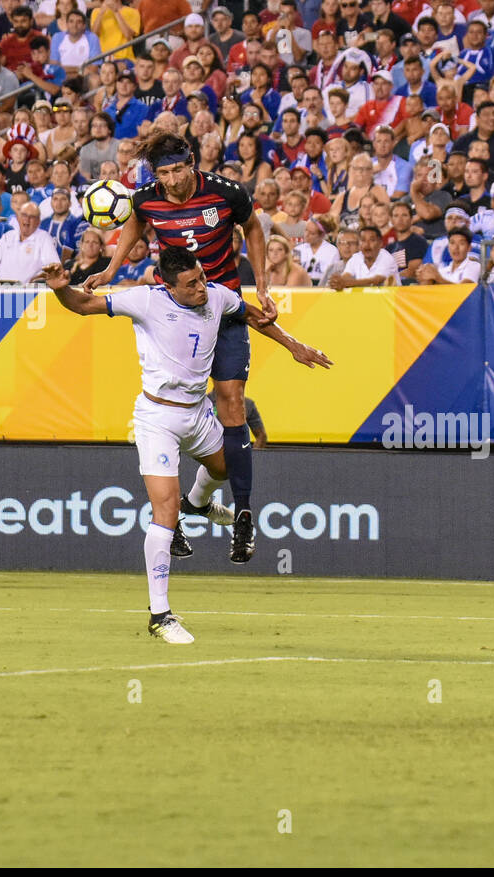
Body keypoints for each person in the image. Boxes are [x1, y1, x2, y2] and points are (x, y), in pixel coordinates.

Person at [84, 131, 333, 563]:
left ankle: (243, 516)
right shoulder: (145, 199)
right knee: (172, 402)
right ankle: (188, 507)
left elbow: (254, 229)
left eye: (179, 169)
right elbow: (135, 224)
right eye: (164, 172)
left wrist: (264, 287)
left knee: (231, 401)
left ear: (193, 162)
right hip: (175, 310)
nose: (173, 180)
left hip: (224, 304)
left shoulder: (226, 192)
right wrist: (110, 269)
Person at [39, 249, 241, 644]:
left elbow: (249, 313)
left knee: (227, 466)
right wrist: (62, 288)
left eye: (201, 277)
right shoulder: (144, 299)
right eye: (191, 284)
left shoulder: (217, 294)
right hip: (157, 419)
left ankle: (197, 504)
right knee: (164, 509)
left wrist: (290, 342)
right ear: (168, 286)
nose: (201, 287)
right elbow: (83, 305)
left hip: (198, 413)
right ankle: (160, 615)